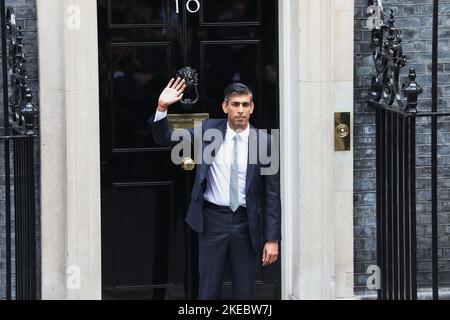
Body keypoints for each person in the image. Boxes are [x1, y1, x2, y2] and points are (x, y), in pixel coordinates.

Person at [151, 78, 281, 300]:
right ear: (225, 107)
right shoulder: (208, 131)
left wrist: (272, 239)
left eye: (245, 105)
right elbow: (165, 138)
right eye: (235, 104)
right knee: (207, 291)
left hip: (246, 224)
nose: (240, 110)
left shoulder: (266, 142)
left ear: (252, 108)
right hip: (212, 221)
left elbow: (272, 195)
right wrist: (162, 107)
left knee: (244, 293)